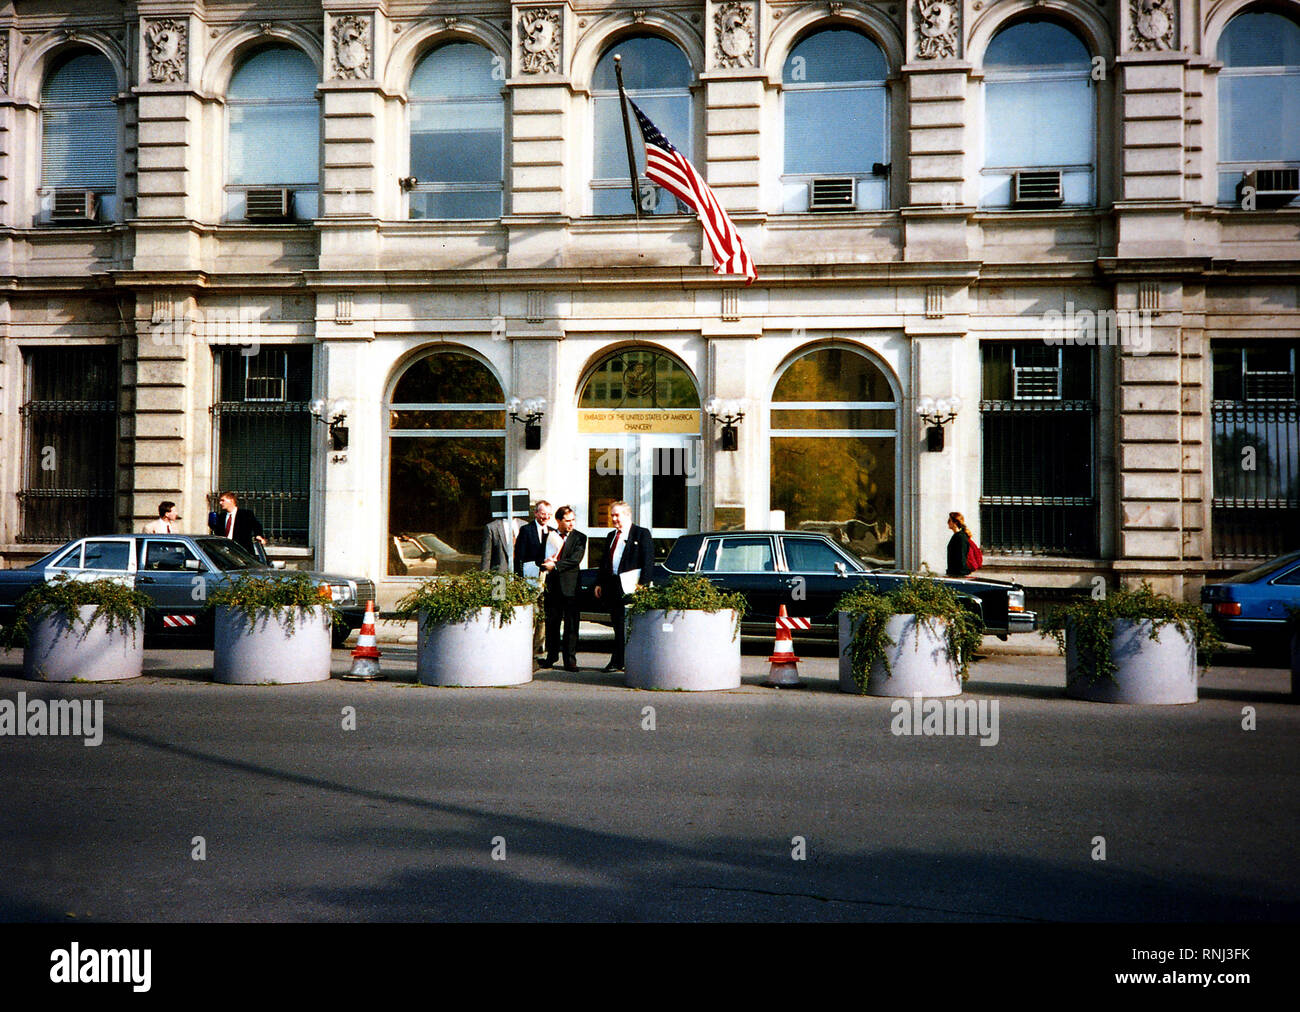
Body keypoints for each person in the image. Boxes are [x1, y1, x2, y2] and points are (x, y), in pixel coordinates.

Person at [594, 500, 654, 671]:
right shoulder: (611, 536)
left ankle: (625, 661)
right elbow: (605, 562)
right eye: (612, 515)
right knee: (617, 625)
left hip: (632, 586)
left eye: (617, 515)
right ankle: (619, 660)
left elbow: (648, 562)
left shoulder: (641, 534)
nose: (614, 519)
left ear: (627, 515)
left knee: (630, 625)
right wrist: (599, 583)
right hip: (613, 585)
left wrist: (643, 584)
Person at [539, 505, 587, 672]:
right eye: (567, 520)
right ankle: (551, 656)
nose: (571, 524)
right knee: (552, 623)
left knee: (572, 625)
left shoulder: (580, 537)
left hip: (571, 587)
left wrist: (556, 565)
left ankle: (570, 660)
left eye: (573, 520)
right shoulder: (549, 535)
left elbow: (575, 560)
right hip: (552, 586)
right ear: (558, 520)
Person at [513, 500, 554, 578]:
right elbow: (519, 555)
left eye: (549, 514)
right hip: (530, 574)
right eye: (543, 514)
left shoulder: (552, 532)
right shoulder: (526, 530)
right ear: (536, 513)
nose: (546, 517)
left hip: (549, 577)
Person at [946, 511, 972, 577]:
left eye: (950, 520)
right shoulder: (956, 536)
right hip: (954, 573)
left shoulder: (961, 537)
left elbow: (962, 556)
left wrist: (961, 574)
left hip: (959, 574)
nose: (948, 522)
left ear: (955, 522)